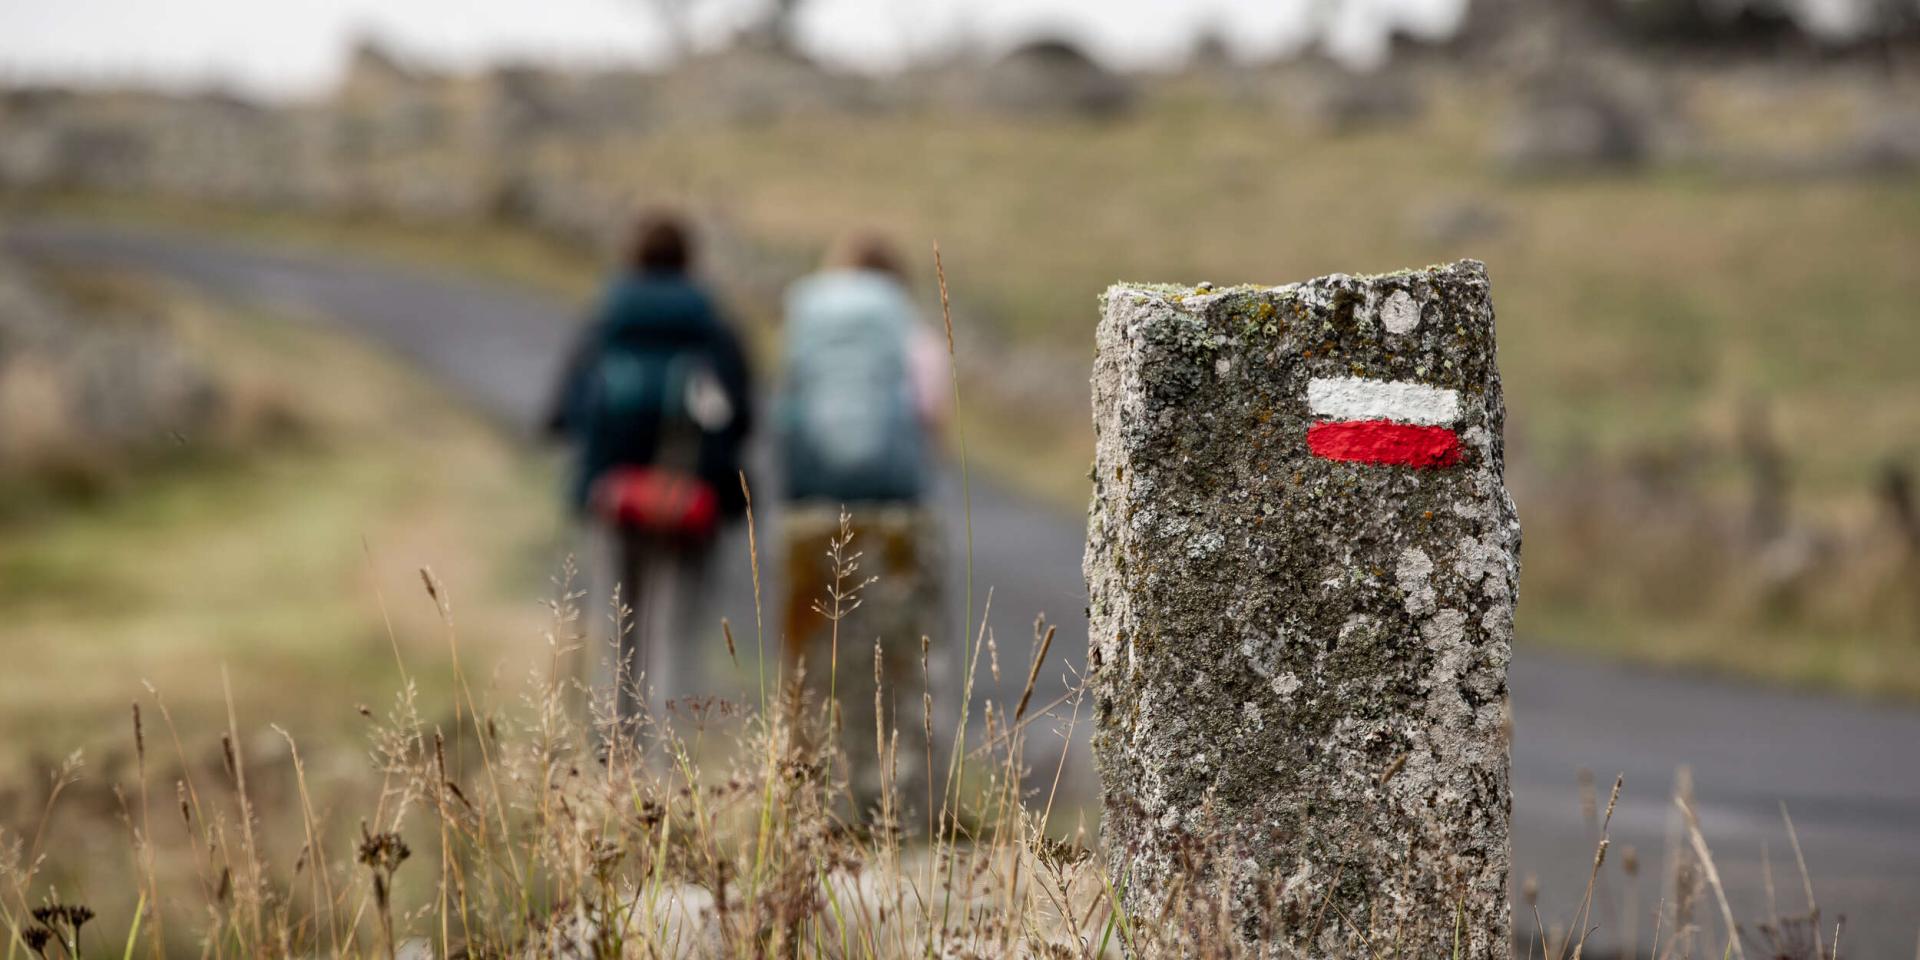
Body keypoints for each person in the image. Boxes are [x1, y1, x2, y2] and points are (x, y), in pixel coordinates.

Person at [546, 210, 753, 732]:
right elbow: (743, 416)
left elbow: (563, 413)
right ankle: (667, 774)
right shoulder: (714, 327)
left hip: (616, 503)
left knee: (618, 634)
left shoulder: (607, 322)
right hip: (691, 504)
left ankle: (612, 766)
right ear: (689, 261)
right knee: (675, 639)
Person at [777, 231, 947, 819]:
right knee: (903, 664)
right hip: (896, 505)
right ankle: (904, 807)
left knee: (818, 665)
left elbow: (789, 395)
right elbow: (930, 408)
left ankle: (818, 803)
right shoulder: (905, 325)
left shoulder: (809, 314)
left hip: (814, 501)